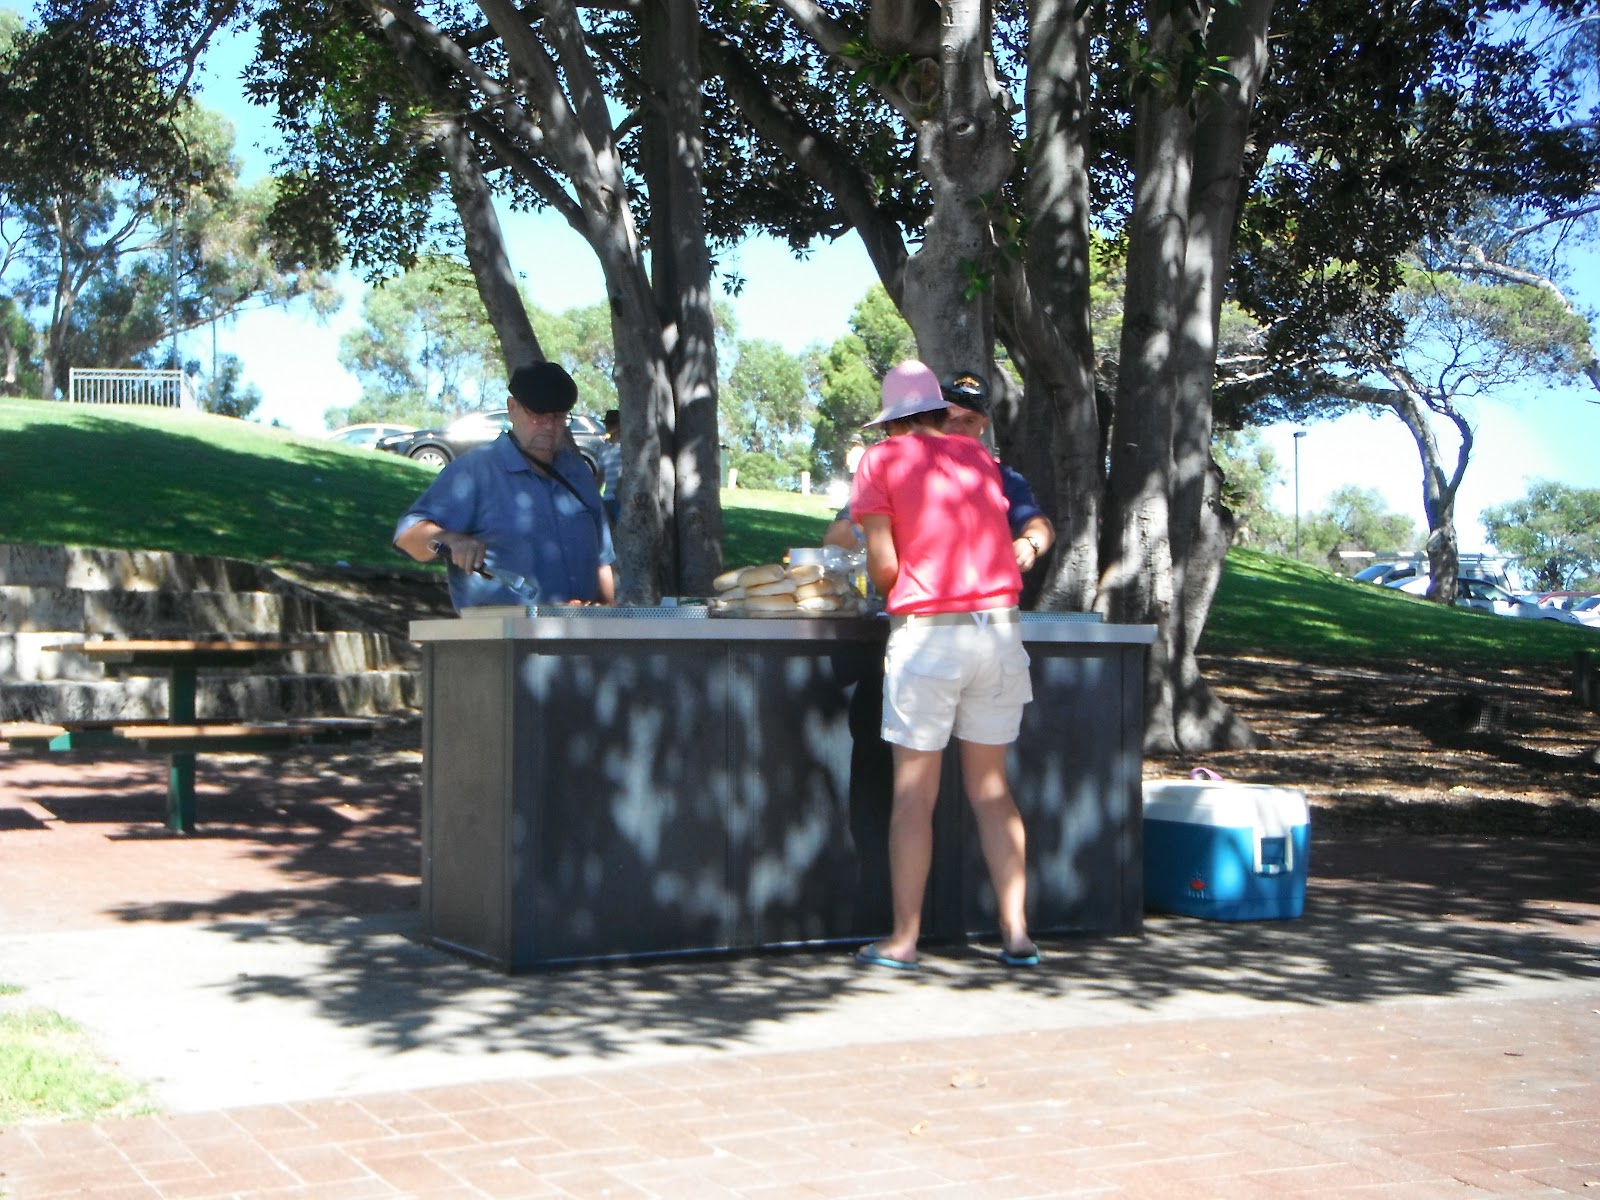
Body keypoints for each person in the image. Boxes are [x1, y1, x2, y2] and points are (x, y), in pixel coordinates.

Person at [849, 360, 1038, 972]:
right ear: (936, 410)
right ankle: (1016, 935)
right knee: (991, 791)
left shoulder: (880, 461)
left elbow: (883, 568)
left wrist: (889, 576)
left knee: (913, 797)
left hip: (930, 636)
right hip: (1000, 631)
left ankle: (904, 940)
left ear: (893, 422)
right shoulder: (978, 459)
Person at [394, 361, 616, 610]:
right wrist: (450, 539)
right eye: (537, 414)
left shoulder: (579, 474)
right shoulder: (476, 471)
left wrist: (609, 617)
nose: (549, 426)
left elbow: (601, 561)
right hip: (501, 639)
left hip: (581, 635)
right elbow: (407, 537)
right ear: (512, 408)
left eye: (558, 416)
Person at [823, 368, 1054, 574]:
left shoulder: (999, 476)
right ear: (934, 416)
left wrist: (1030, 543)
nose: (958, 428)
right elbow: (836, 540)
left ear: (983, 425)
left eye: (970, 421)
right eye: (951, 417)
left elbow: (1040, 525)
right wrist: (877, 518)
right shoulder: (891, 467)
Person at [599, 408, 622, 523]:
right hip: (607, 497)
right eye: (607, 423)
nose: (609, 426)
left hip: (622, 498)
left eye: (612, 423)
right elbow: (601, 475)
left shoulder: (626, 447)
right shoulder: (603, 448)